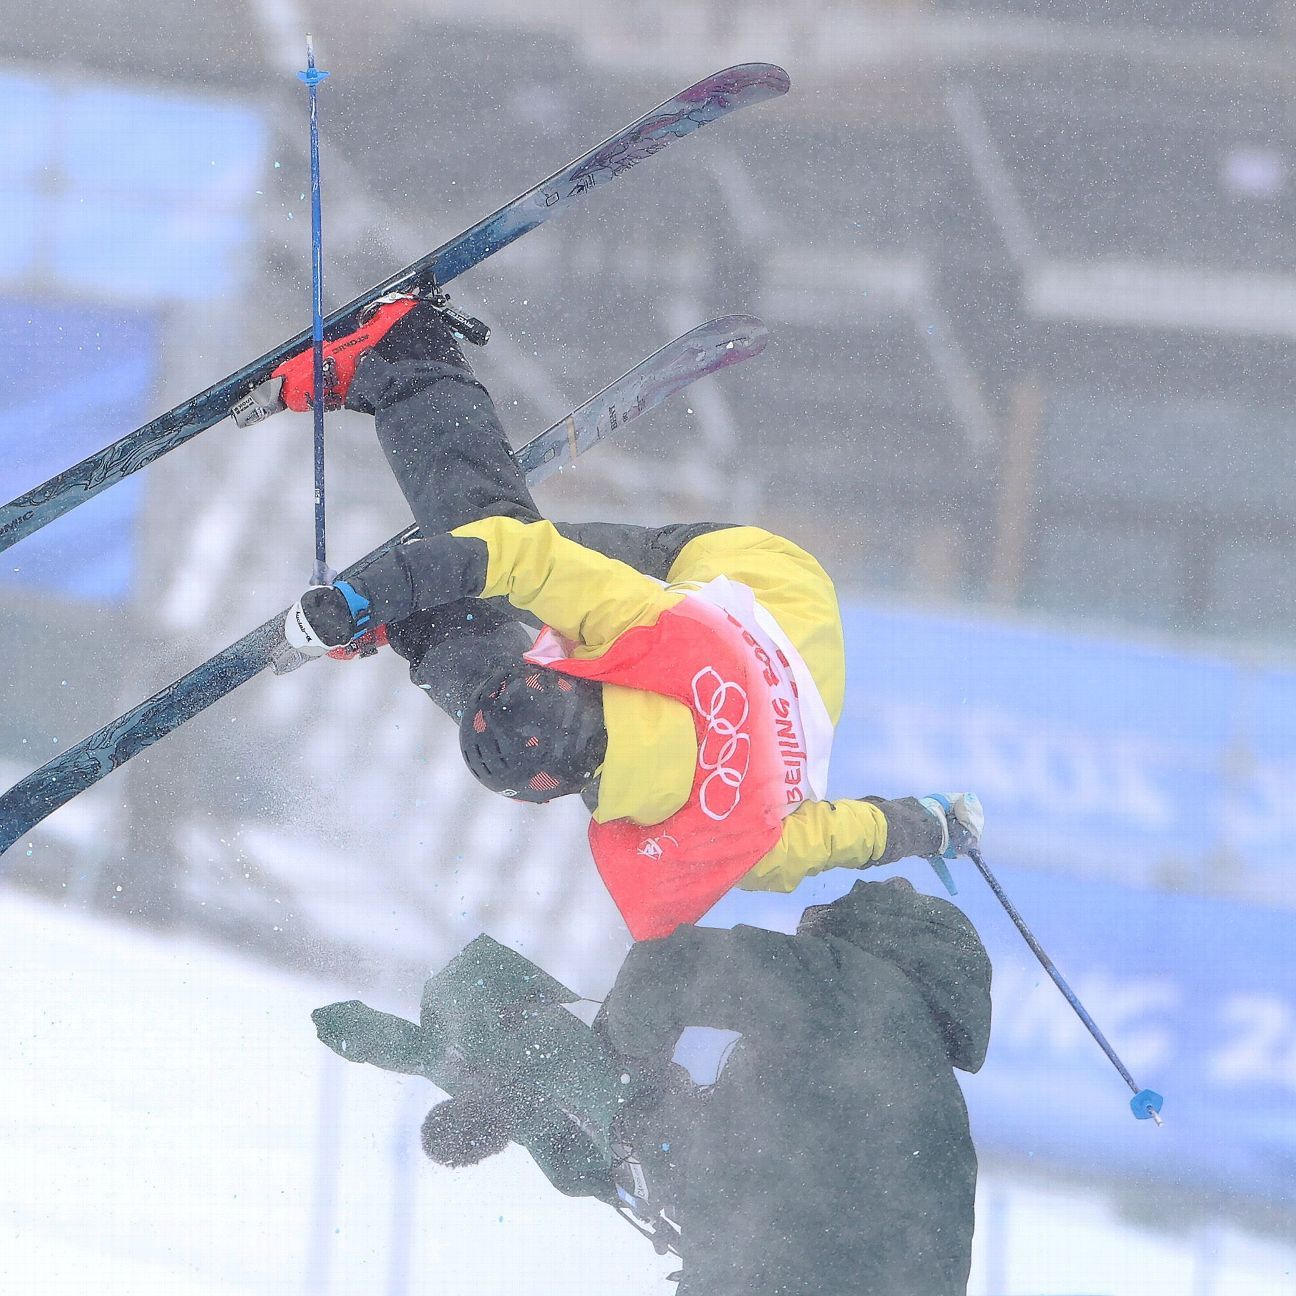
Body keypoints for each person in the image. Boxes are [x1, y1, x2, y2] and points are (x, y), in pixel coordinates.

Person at [273, 294, 984, 936]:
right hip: (752, 576)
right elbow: (517, 555)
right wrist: (370, 595)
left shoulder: (746, 837)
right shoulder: (651, 631)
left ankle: (429, 622)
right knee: (483, 533)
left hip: (789, 660)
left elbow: (846, 835)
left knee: (470, 601)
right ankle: (406, 350)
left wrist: (931, 825)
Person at [316, 877, 992, 1295]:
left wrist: (613, 1065)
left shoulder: (852, 983)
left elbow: (669, 969)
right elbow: (812, 1184)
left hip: (759, 1277)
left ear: (863, 938)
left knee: (589, 1070)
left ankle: (511, 1077)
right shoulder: (934, 1102)